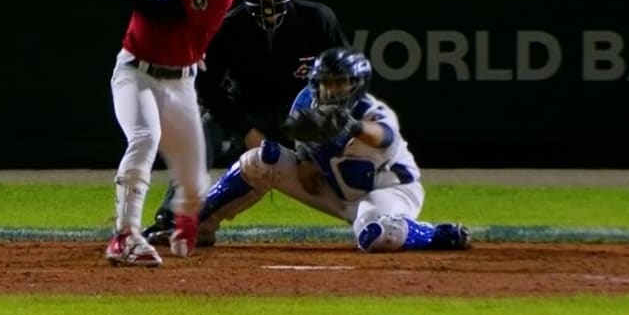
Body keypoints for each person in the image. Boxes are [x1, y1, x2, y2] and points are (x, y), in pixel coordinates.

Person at [16, 0, 235, 265]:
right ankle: (124, 235)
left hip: (180, 83)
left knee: (195, 180)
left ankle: (183, 223)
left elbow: (160, 12)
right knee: (144, 138)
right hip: (136, 72)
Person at [145, 0, 347, 244]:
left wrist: (310, 148)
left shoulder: (318, 19)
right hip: (247, 111)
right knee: (199, 132)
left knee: (354, 135)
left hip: (304, 116)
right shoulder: (227, 27)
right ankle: (171, 217)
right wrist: (246, 130)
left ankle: (379, 208)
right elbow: (209, 90)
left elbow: (345, 80)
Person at [194, 47, 471, 252]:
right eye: (327, 81)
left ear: (356, 84)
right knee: (262, 159)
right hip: (332, 189)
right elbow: (304, 155)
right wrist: (304, 163)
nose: (332, 89)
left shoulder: (373, 111)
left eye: (340, 82)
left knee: (375, 234)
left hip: (387, 192)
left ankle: (437, 235)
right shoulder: (305, 105)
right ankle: (199, 222)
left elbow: (383, 136)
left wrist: (352, 127)